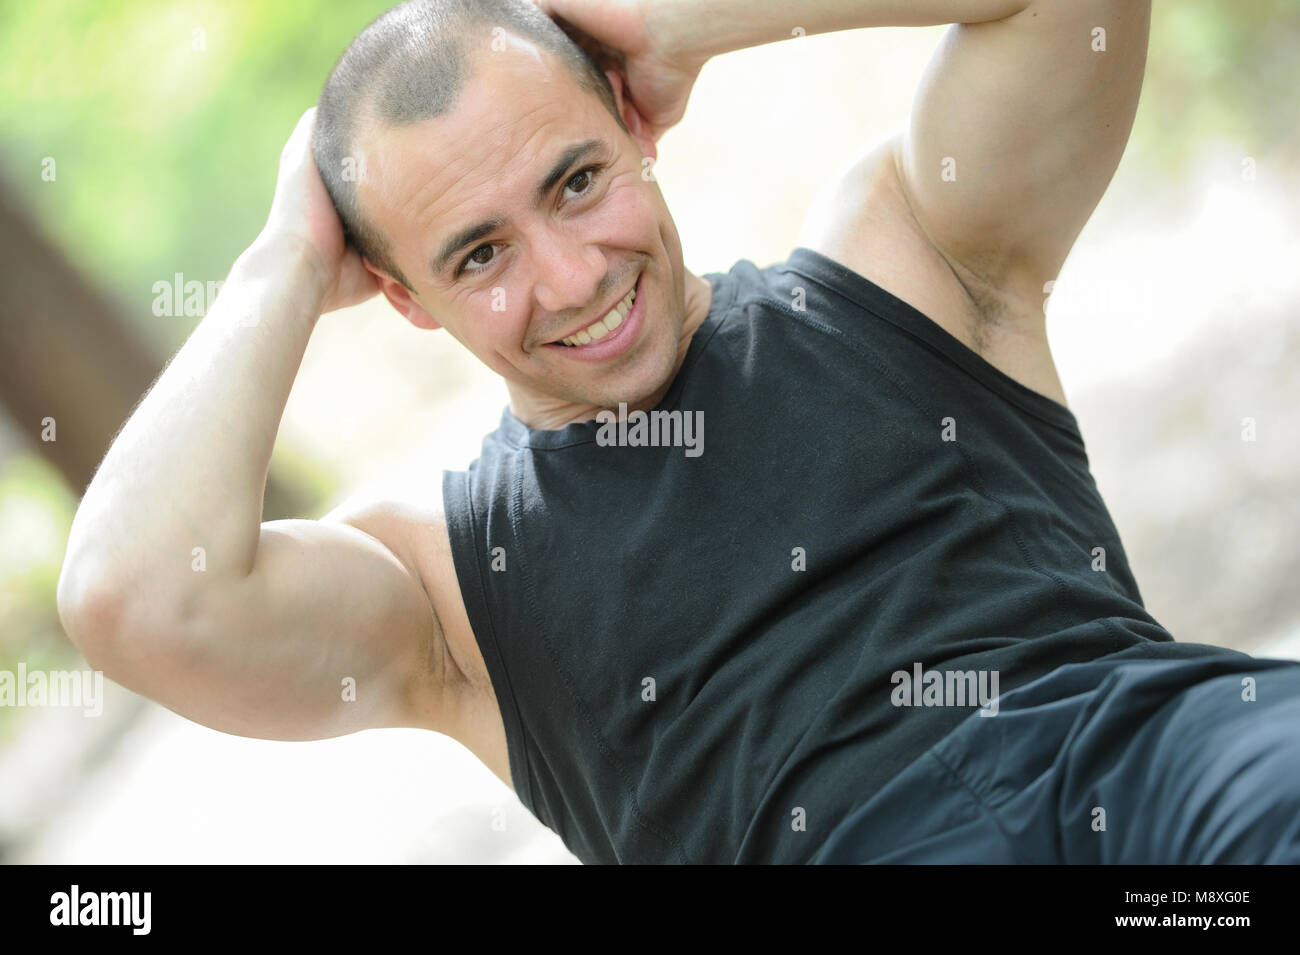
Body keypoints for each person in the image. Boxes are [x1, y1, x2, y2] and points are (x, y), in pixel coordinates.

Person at [57, 0, 1300, 864]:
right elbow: (131, 596)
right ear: (399, 298)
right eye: (477, 255)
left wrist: (674, 25)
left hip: (1160, 772)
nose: (569, 276)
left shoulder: (907, 261)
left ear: (633, 126)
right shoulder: (443, 592)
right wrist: (283, 258)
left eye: (576, 181)